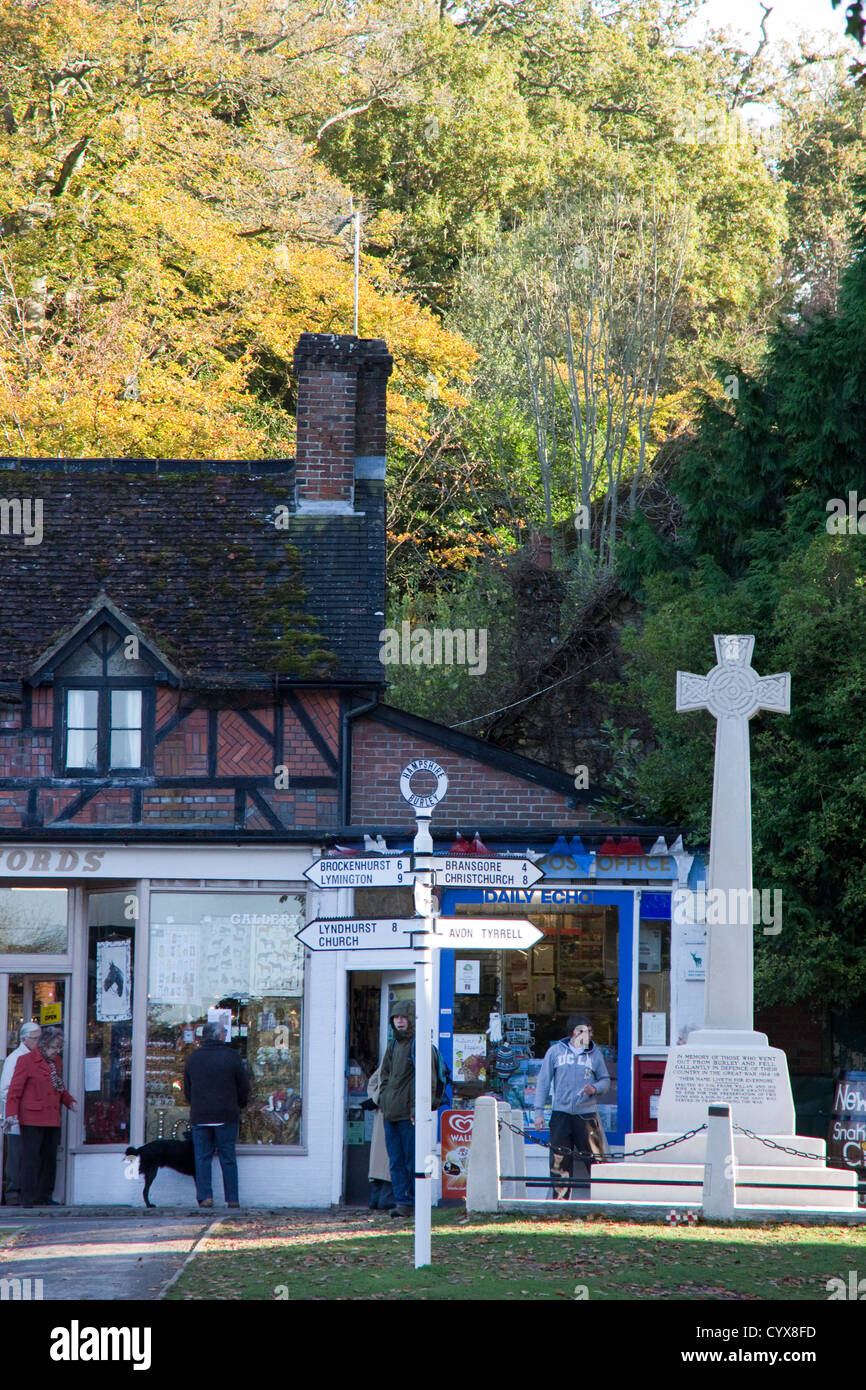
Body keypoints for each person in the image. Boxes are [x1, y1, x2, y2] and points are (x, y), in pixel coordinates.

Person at [533, 1015, 610, 1200]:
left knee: (596, 1160)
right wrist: (538, 1113)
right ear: (574, 1033)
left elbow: (605, 1080)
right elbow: (543, 1083)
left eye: (591, 1031)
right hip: (561, 1115)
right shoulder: (555, 1052)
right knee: (559, 1163)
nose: (589, 1035)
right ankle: (560, 1206)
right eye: (585, 1031)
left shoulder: (595, 1054)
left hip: (587, 1116)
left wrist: (595, 1088)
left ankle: (605, 1202)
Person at [4, 1027, 77, 1207]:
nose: (56, 1051)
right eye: (53, 1047)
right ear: (44, 1046)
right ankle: (28, 1197)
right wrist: (11, 1114)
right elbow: (14, 1090)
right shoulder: (25, 1060)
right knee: (31, 1158)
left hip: (51, 1116)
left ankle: (44, 1195)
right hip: (31, 1117)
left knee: (49, 1158)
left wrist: (70, 1102)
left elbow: (59, 1087)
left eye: (58, 1048)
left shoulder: (56, 1062)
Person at [183, 1020, 250, 1208]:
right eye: (224, 1032)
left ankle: (205, 1197)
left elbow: (187, 1090)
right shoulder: (231, 1056)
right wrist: (240, 1105)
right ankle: (232, 1198)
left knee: (202, 1158)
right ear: (219, 1035)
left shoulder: (193, 1058)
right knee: (227, 1157)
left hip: (201, 1115)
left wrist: (196, 1104)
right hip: (226, 1115)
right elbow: (243, 1086)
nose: (225, 1034)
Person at [1, 1022, 42, 1205]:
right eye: (35, 1038)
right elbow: (6, 1089)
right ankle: (13, 1192)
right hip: (16, 1116)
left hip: (31, 1116)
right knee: (16, 1154)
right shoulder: (15, 1058)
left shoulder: (37, 1057)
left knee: (28, 1154)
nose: (38, 1042)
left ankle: (26, 1191)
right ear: (24, 1039)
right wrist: (11, 1113)